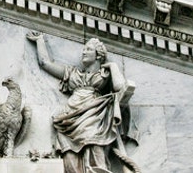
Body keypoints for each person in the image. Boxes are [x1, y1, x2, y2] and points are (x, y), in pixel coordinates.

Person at [26, 33, 140, 173]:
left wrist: (113, 66)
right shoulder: (73, 73)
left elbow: (120, 87)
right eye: (84, 49)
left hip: (94, 115)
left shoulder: (104, 74)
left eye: (88, 49)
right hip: (69, 120)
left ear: (98, 55)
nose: (83, 52)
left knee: (95, 148)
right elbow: (45, 63)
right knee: (68, 156)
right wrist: (40, 41)